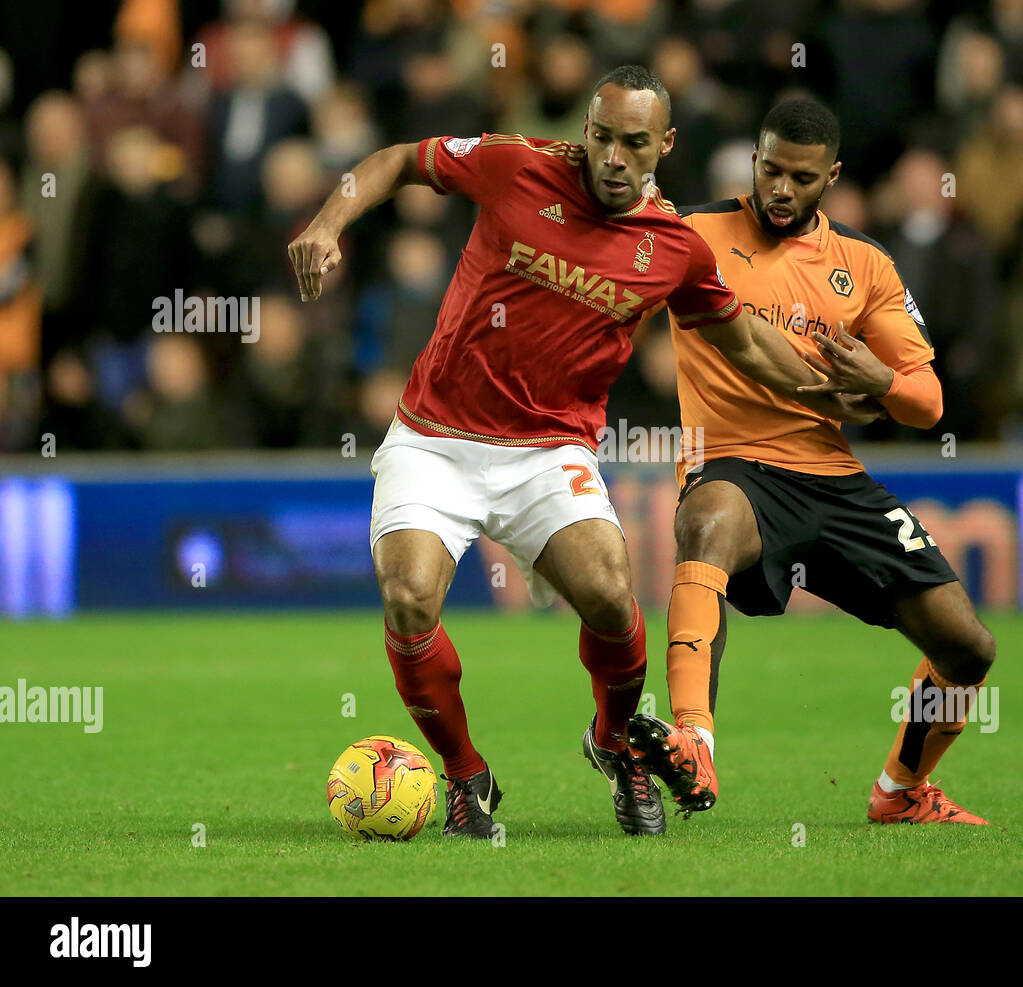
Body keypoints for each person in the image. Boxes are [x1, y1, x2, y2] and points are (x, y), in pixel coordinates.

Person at [288, 68, 872, 838]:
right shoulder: (514, 165)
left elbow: (744, 340)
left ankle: (615, 741)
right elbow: (401, 159)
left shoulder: (674, 247)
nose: (615, 156)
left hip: (549, 449)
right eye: (602, 136)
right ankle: (465, 774)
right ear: (586, 129)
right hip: (436, 436)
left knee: (608, 591)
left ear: (664, 143)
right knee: (408, 599)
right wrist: (328, 222)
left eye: (635, 142)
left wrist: (821, 392)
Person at [627, 98, 997, 825]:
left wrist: (882, 382)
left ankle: (901, 791)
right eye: (770, 170)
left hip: (832, 478)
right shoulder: (693, 232)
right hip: (732, 463)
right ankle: (694, 738)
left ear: (832, 176)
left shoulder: (863, 263)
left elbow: (929, 402)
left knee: (968, 645)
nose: (780, 189)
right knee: (706, 522)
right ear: (755, 162)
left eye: (800, 176)